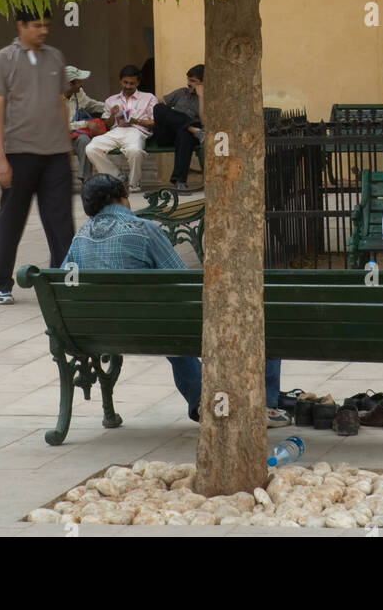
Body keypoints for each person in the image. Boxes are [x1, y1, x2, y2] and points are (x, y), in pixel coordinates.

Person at [62, 174, 289, 427]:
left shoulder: (79, 238)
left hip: (97, 332)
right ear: (120, 198)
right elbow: (182, 280)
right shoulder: (144, 231)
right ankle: (265, 404)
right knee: (254, 322)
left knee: (173, 337)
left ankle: (203, 401)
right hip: (156, 328)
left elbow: (66, 283)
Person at [0, 8, 74, 305]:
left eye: (46, 25)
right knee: (11, 221)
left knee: (61, 221)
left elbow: (61, 101)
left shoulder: (56, 57)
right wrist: (0, 158)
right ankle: (0, 283)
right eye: (37, 25)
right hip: (18, 153)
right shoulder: (3, 59)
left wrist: (68, 147)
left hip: (55, 155)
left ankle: (65, 281)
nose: (44, 31)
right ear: (20, 25)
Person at [85, 65, 159, 191]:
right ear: (120, 81)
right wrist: (113, 115)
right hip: (115, 132)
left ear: (138, 83)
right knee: (91, 148)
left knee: (135, 151)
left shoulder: (149, 98)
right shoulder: (111, 100)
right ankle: (117, 177)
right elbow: (106, 126)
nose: (128, 86)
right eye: (125, 82)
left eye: (132, 83)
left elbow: (154, 122)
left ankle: (134, 183)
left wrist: (135, 121)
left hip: (137, 131)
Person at [152, 64, 205, 191]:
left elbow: (204, 121)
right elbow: (159, 105)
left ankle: (180, 181)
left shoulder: (208, 98)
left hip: (187, 136)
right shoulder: (181, 92)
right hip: (168, 133)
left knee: (184, 133)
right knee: (158, 108)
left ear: (203, 83)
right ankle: (191, 129)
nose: (188, 83)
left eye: (193, 81)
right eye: (188, 80)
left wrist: (201, 96)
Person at [64, 66, 109, 187]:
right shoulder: (54, 98)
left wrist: (112, 105)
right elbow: (58, 125)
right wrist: (85, 124)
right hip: (57, 138)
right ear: (69, 84)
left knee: (84, 140)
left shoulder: (79, 94)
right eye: (79, 81)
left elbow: (92, 105)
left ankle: (86, 179)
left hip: (74, 136)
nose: (81, 84)